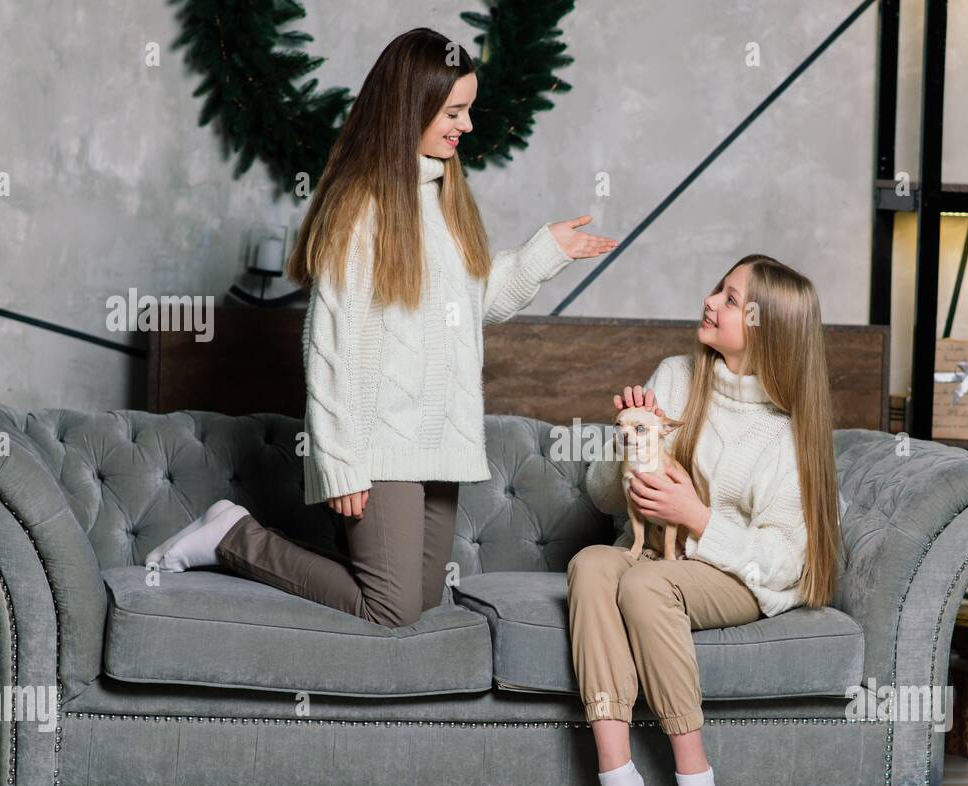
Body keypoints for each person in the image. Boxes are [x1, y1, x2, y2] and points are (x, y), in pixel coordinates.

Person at [147, 27, 616, 628]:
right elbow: (331, 344)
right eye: (455, 112)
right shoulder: (361, 208)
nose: (466, 126)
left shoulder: (447, 197)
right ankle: (232, 536)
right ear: (410, 108)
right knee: (391, 607)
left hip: (440, 445)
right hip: (380, 445)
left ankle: (235, 536)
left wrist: (542, 253)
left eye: (468, 111)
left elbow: (472, 309)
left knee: (417, 603)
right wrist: (341, 461)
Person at [567, 254, 847, 786]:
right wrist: (631, 453)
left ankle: (696, 780)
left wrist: (695, 518)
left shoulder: (787, 430)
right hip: (651, 553)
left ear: (763, 325)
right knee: (591, 563)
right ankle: (618, 781)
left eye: (729, 298)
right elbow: (601, 496)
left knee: (647, 585)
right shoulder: (674, 376)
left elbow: (786, 561)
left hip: (737, 574)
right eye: (717, 288)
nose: (710, 302)